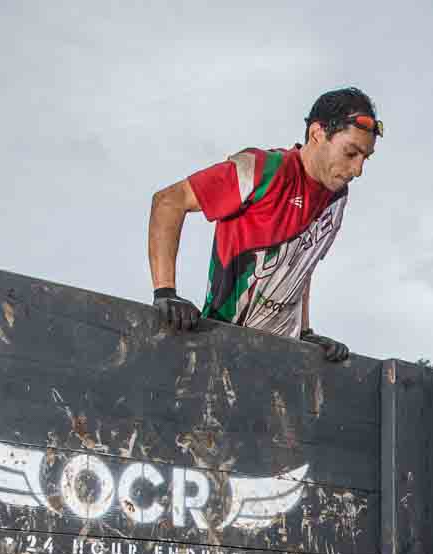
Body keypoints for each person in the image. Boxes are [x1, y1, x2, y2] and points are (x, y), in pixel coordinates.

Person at [147, 87, 379, 361]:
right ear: (317, 134)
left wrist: (305, 332)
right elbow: (168, 200)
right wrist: (165, 291)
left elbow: (302, 262)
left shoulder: (336, 197)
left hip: (283, 356)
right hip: (226, 345)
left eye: (366, 158)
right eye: (351, 153)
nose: (358, 170)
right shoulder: (262, 169)